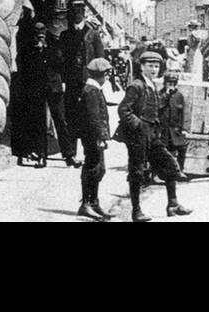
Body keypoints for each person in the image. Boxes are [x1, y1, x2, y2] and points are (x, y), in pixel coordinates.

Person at [114, 50, 192, 222]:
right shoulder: (137, 85)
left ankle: (172, 204)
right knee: (137, 172)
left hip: (152, 135)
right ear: (142, 67)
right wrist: (139, 125)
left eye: (156, 66)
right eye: (150, 66)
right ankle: (136, 211)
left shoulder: (151, 84)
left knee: (170, 164)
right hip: (138, 136)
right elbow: (123, 109)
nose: (154, 69)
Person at [61, 0, 105, 168]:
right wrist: (64, 80)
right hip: (71, 82)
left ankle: (91, 151)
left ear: (84, 14)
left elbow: (100, 59)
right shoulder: (66, 35)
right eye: (73, 12)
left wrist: (98, 81)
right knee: (70, 116)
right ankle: (71, 154)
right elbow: (63, 60)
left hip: (88, 81)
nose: (76, 15)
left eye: (79, 12)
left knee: (89, 116)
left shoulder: (93, 34)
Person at [75, 57, 113, 221]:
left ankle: (94, 202)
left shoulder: (93, 89)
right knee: (92, 167)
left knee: (99, 169)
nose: (108, 77)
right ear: (102, 75)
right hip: (92, 136)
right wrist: (101, 137)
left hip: (94, 136)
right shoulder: (91, 91)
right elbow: (94, 118)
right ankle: (86, 204)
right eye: (107, 74)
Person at [10, 20, 50, 168]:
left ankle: (42, 155)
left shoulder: (49, 47)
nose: (40, 35)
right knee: (29, 122)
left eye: (42, 31)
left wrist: (45, 49)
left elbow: (56, 63)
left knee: (41, 124)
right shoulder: (26, 49)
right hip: (28, 91)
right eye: (37, 32)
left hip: (43, 91)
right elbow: (21, 67)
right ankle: (27, 152)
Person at [44, 26, 77, 168]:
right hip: (39, 86)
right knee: (39, 121)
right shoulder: (30, 39)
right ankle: (40, 155)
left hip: (54, 86)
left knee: (61, 120)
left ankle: (69, 155)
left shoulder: (54, 42)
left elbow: (62, 62)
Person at [160, 68, 190, 177]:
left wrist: (183, 128)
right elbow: (158, 108)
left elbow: (182, 114)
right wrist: (166, 95)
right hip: (163, 130)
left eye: (173, 83)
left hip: (175, 130)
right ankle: (159, 173)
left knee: (182, 147)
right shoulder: (160, 95)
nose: (171, 85)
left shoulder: (179, 96)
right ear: (165, 83)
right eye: (169, 83)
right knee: (162, 152)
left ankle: (180, 170)